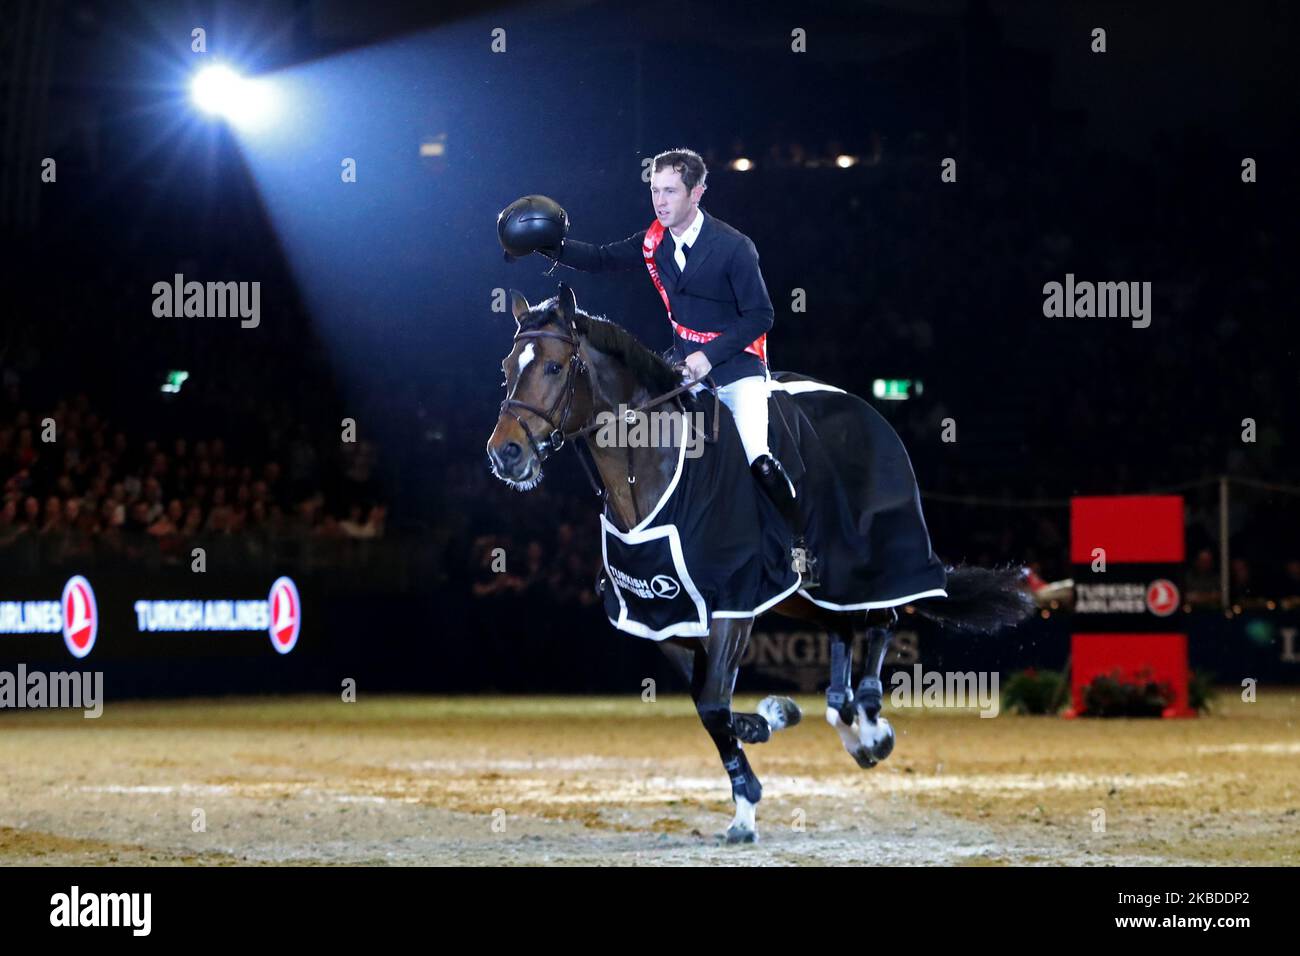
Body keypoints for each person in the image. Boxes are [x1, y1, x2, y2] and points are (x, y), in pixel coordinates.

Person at [509, 148, 818, 585]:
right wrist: (548, 245)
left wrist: (708, 357)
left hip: (735, 367)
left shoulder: (734, 248)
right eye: (655, 190)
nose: (660, 200)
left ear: (697, 192)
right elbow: (600, 258)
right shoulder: (655, 240)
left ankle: (800, 545)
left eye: (670, 191)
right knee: (628, 434)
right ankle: (629, 553)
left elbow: (761, 315)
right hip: (680, 363)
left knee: (756, 453)